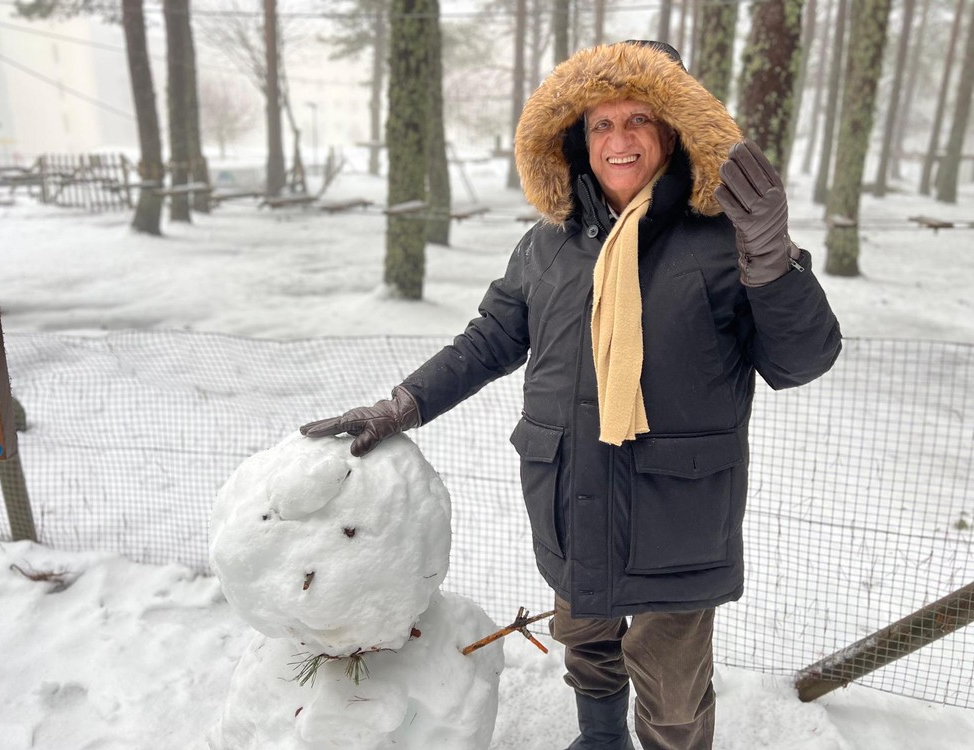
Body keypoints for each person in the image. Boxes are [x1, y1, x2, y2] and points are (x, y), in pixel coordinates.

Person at [302, 40, 841, 750]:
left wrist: (773, 260)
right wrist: (403, 403)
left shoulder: (725, 242)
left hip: (677, 514)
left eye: (640, 119)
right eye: (601, 124)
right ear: (577, 138)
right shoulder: (546, 246)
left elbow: (801, 360)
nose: (620, 140)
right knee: (586, 643)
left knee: (673, 689)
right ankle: (601, 738)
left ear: (673, 130)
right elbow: (488, 339)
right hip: (572, 493)